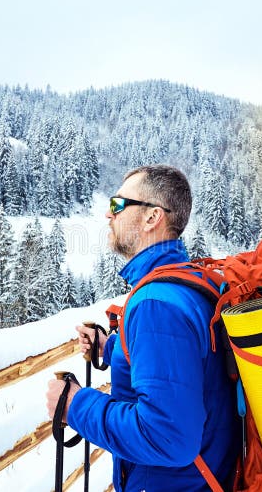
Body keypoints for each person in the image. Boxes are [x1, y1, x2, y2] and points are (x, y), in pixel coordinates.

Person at [46, 165, 239, 491]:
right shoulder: (184, 283)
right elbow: (180, 362)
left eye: (117, 205)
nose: (109, 216)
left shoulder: (156, 304)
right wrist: (110, 347)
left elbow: (168, 437)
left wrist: (75, 406)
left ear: (152, 218)